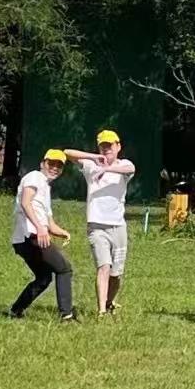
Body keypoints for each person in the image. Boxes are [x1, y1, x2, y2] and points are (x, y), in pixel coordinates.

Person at [67, 131, 137, 316]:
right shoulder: (91, 165)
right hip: (96, 226)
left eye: (110, 145)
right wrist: (93, 157)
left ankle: (109, 301)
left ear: (118, 146)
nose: (107, 149)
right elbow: (67, 153)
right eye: (103, 146)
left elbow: (130, 169)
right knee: (103, 267)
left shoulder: (123, 164)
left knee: (116, 274)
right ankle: (101, 311)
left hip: (118, 227)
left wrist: (107, 169)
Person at [9, 149, 74, 320]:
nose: (54, 168)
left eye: (59, 165)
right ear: (42, 164)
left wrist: (63, 233)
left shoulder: (45, 187)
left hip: (24, 240)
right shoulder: (35, 177)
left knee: (44, 278)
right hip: (30, 236)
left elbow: (50, 224)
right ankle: (67, 315)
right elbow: (25, 202)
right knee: (64, 269)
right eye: (51, 163)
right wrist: (39, 228)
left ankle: (16, 310)